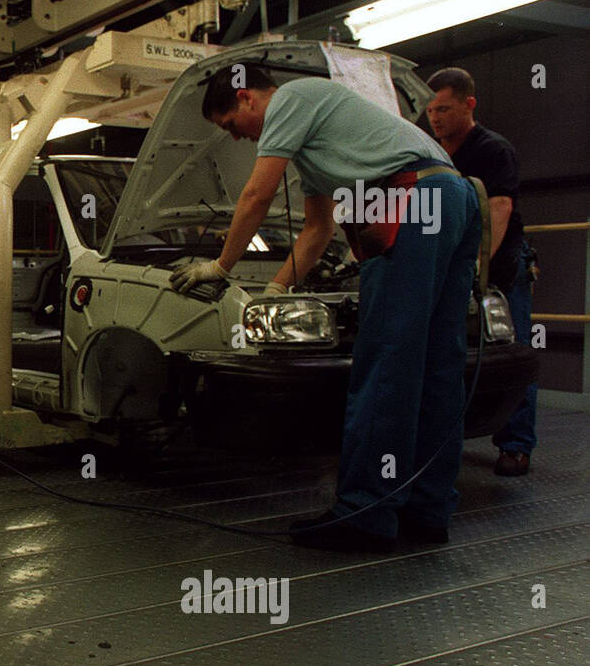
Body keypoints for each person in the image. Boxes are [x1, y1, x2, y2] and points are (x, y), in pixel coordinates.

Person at [173, 64, 481, 548]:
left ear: (248, 98)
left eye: (231, 126)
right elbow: (318, 229)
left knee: (385, 362)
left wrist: (222, 266)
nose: (237, 139)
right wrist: (274, 290)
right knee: (438, 364)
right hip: (453, 195)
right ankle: (427, 510)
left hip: (406, 199)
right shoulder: (321, 132)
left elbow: (257, 194)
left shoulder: (291, 99)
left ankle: (366, 514)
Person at [426, 67, 536, 477]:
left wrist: (477, 269)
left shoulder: (492, 150)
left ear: (469, 105)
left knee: (511, 350)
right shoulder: (436, 154)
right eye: (431, 109)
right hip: (455, 269)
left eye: (445, 109)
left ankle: (516, 446)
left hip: (502, 267)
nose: (435, 118)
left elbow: (499, 209)